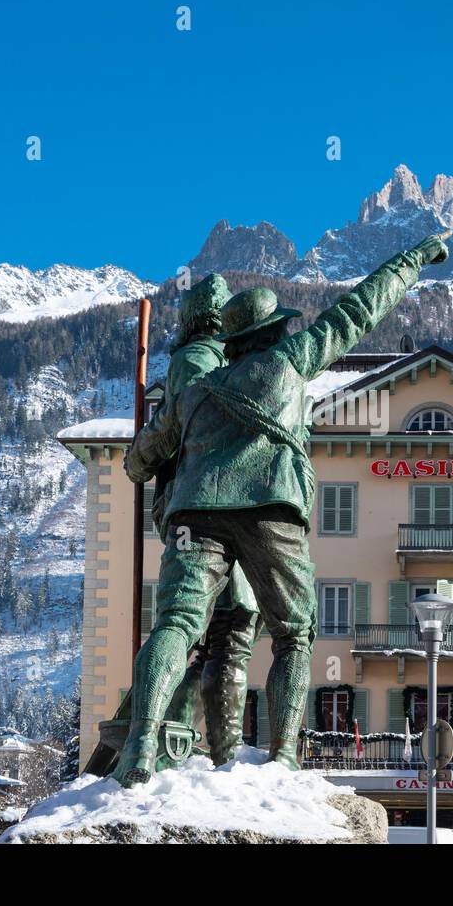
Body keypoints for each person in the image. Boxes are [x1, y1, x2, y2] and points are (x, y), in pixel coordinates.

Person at [118, 233, 449, 786]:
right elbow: (362, 307)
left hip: (194, 514)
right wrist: (413, 257)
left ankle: (141, 747)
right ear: (272, 332)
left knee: (175, 625)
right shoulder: (291, 361)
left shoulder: (197, 389)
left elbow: (140, 460)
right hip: (273, 511)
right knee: (294, 631)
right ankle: (285, 754)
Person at [151, 273, 260, 765]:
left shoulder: (205, 358)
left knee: (228, 627)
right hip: (206, 507)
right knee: (224, 625)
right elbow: (189, 425)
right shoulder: (198, 359)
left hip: (220, 507)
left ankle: (198, 740)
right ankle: (195, 740)